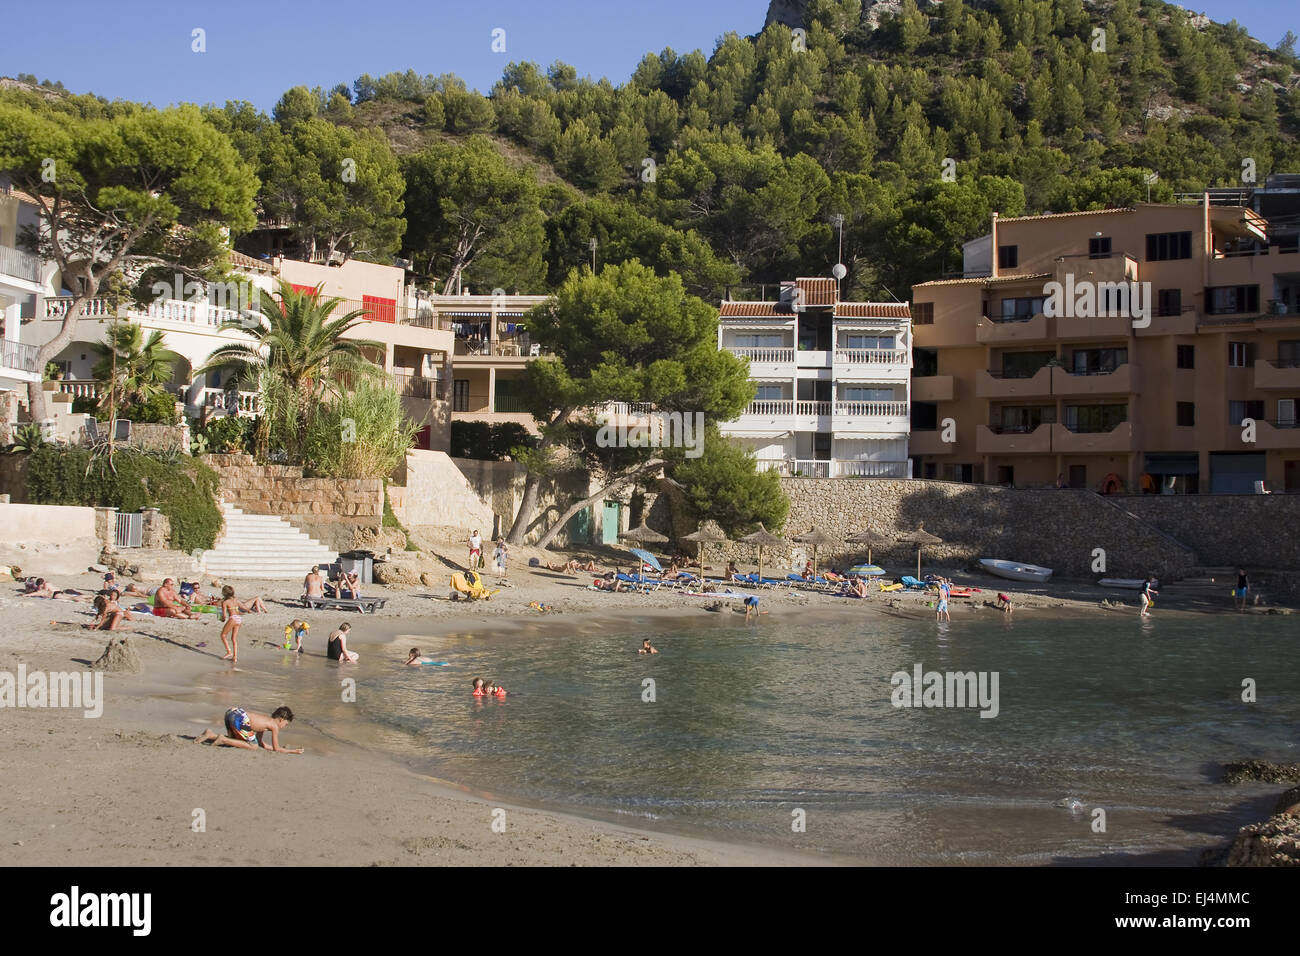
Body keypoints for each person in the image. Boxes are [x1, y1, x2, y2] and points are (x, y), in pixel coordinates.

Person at [195, 706, 303, 753]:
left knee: (239, 741)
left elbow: (261, 743)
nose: (284, 726)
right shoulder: (274, 726)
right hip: (241, 718)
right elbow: (276, 748)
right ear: (281, 719)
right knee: (253, 746)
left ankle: (210, 734)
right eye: (286, 724)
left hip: (233, 712)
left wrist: (279, 748)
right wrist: (292, 751)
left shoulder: (266, 721)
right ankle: (223, 739)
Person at [218, 585, 243, 663]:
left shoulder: (225, 602)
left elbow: (224, 615)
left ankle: (229, 651)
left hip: (233, 618)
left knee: (223, 635)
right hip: (239, 619)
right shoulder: (236, 600)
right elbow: (242, 608)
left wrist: (222, 619)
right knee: (234, 639)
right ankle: (235, 657)